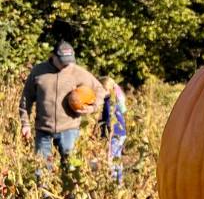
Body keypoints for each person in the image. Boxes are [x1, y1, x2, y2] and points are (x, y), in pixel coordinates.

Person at [19, 40, 106, 184]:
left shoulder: (77, 72)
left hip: (69, 130)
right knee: (42, 169)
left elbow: (100, 90)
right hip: (43, 131)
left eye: (69, 61)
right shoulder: (39, 71)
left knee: (71, 168)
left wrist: (92, 107)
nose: (67, 65)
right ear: (53, 56)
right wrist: (25, 124)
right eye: (63, 61)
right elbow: (26, 98)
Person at [98, 76, 127, 185]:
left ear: (106, 89)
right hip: (121, 133)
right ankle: (119, 182)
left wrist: (105, 130)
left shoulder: (109, 101)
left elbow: (109, 119)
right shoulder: (115, 99)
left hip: (114, 134)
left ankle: (114, 183)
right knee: (117, 158)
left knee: (111, 159)